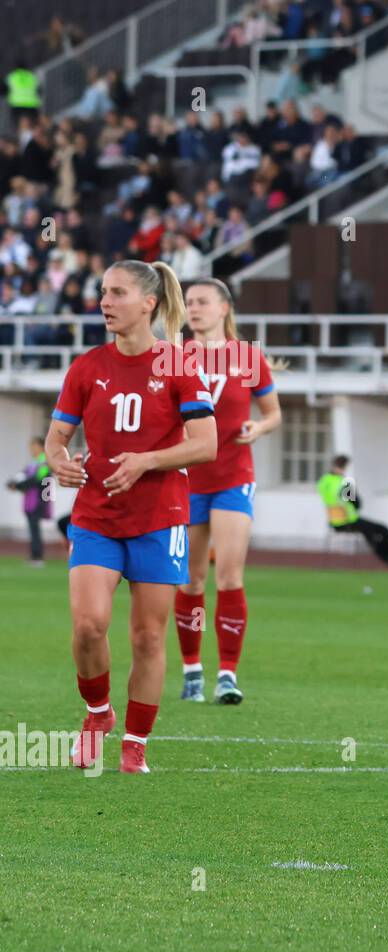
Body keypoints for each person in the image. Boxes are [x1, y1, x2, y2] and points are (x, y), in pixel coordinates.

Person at [44, 260, 217, 774]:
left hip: (162, 519)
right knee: (88, 627)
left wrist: (146, 461)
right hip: (96, 516)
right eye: (102, 292)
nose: (104, 302)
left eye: (116, 293)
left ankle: (136, 742)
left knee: (147, 636)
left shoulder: (179, 365)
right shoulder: (87, 367)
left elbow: (205, 444)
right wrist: (59, 463)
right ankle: (98, 713)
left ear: (149, 303)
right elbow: (56, 440)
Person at [174, 278, 281, 706]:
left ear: (224, 309)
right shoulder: (172, 357)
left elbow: (274, 413)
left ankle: (228, 675)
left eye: (202, 302)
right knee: (192, 581)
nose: (193, 309)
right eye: (189, 303)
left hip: (235, 477)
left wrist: (259, 427)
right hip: (187, 479)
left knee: (230, 575)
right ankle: (192, 670)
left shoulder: (248, 357)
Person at [318, 455, 388, 570]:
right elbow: (356, 504)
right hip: (349, 520)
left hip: (334, 521)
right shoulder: (345, 482)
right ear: (345, 467)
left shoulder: (323, 481)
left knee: (373, 532)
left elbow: (329, 498)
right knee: (381, 530)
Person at [7, 436, 52, 564]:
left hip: (38, 500)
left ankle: (37, 556)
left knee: (34, 526)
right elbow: (22, 476)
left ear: (41, 447)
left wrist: (19, 485)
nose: (32, 449)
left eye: (34, 446)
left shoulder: (44, 461)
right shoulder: (33, 462)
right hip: (30, 499)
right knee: (32, 527)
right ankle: (34, 554)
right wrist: (13, 484)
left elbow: (39, 479)